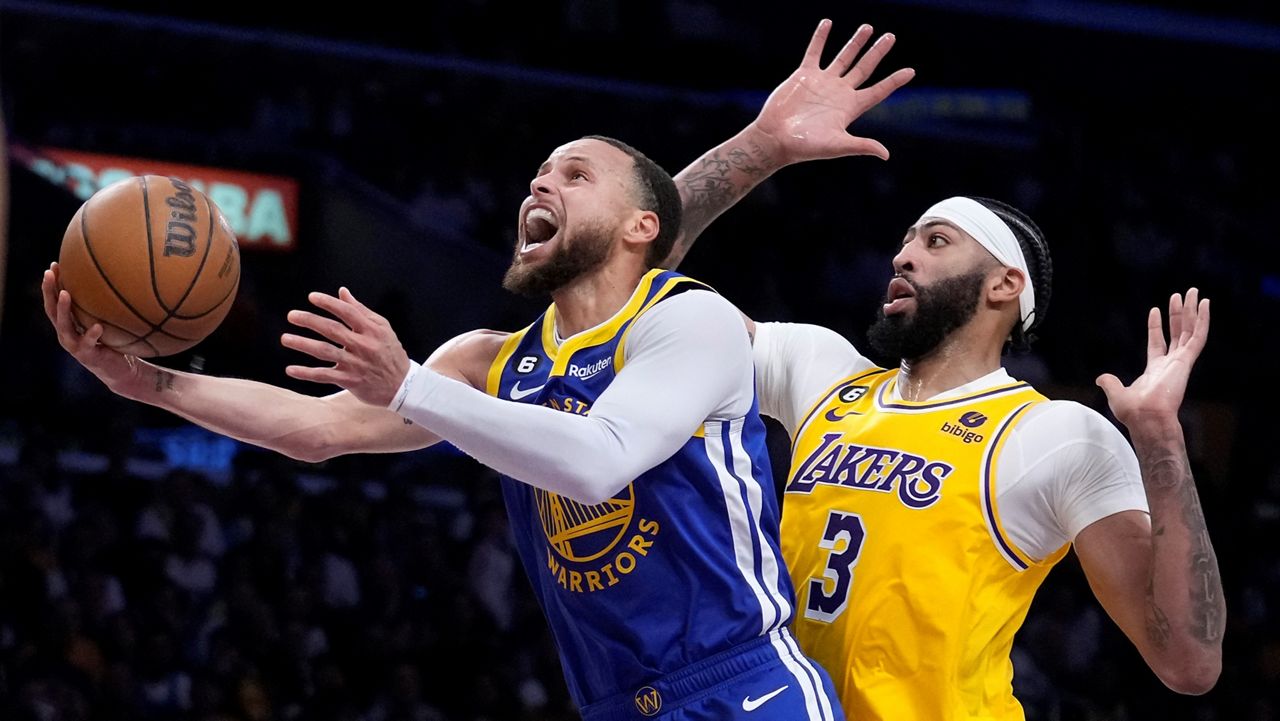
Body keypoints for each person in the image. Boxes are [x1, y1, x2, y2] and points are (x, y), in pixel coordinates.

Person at [42, 35, 912, 715]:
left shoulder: (692, 321)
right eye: (540, 173)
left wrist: (412, 388)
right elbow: (316, 430)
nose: (543, 180)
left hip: (744, 689)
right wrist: (150, 385)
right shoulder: (489, 362)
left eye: (576, 173)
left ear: (642, 224)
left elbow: (599, 458)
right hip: (612, 704)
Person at [658, 19, 1225, 721]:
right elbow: (634, 279)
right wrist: (762, 147)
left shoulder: (1051, 435)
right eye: (904, 241)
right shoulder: (825, 375)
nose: (902, 257)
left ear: (1003, 285)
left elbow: (1189, 661)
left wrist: (1161, 441)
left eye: (936, 241)